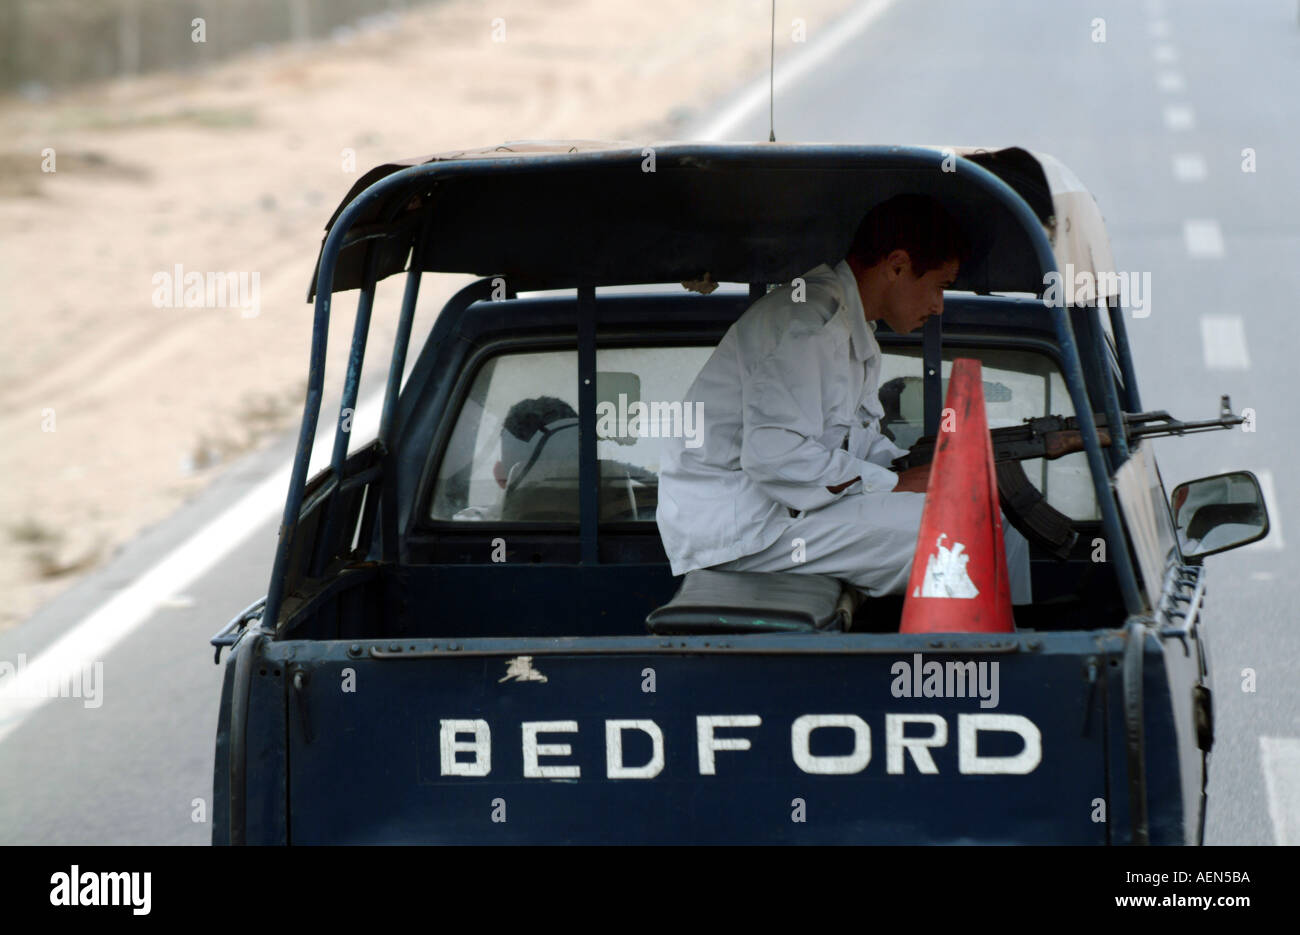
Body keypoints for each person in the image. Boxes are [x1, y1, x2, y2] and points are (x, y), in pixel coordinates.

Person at [655, 194, 1032, 603]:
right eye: (939, 287)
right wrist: (897, 482)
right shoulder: (811, 324)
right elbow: (772, 455)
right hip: (746, 529)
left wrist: (917, 467)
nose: (939, 307)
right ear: (897, 265)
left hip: (782, 511)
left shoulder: (846, 323)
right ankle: (974, 658)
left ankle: (1013, 642)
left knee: (998, 515)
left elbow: (853, 438)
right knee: (965, 534)